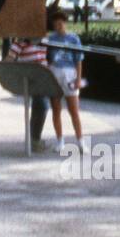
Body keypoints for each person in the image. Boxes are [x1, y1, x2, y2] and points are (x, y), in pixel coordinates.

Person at [43, 9, 86, 151]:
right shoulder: (51, 39)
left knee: (74, 110)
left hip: (70, 74)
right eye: (56, 25)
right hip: (55, 73)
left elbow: (78, 60)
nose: (58, 27)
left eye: (60, 24)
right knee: (56, 109)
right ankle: (60, 141)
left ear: (65, 23)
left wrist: (78, 79)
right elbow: (47, 57)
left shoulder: (74, 39)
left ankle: (80, 142)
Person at [6, 34, 51, 147]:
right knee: (42, 105)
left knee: (39, 107)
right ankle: (34, 139)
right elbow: (10, 58)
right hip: (30, 78)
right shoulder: (20, 42)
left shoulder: (44, 40)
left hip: (44, 78)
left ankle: (34, 139)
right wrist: (0, 67)